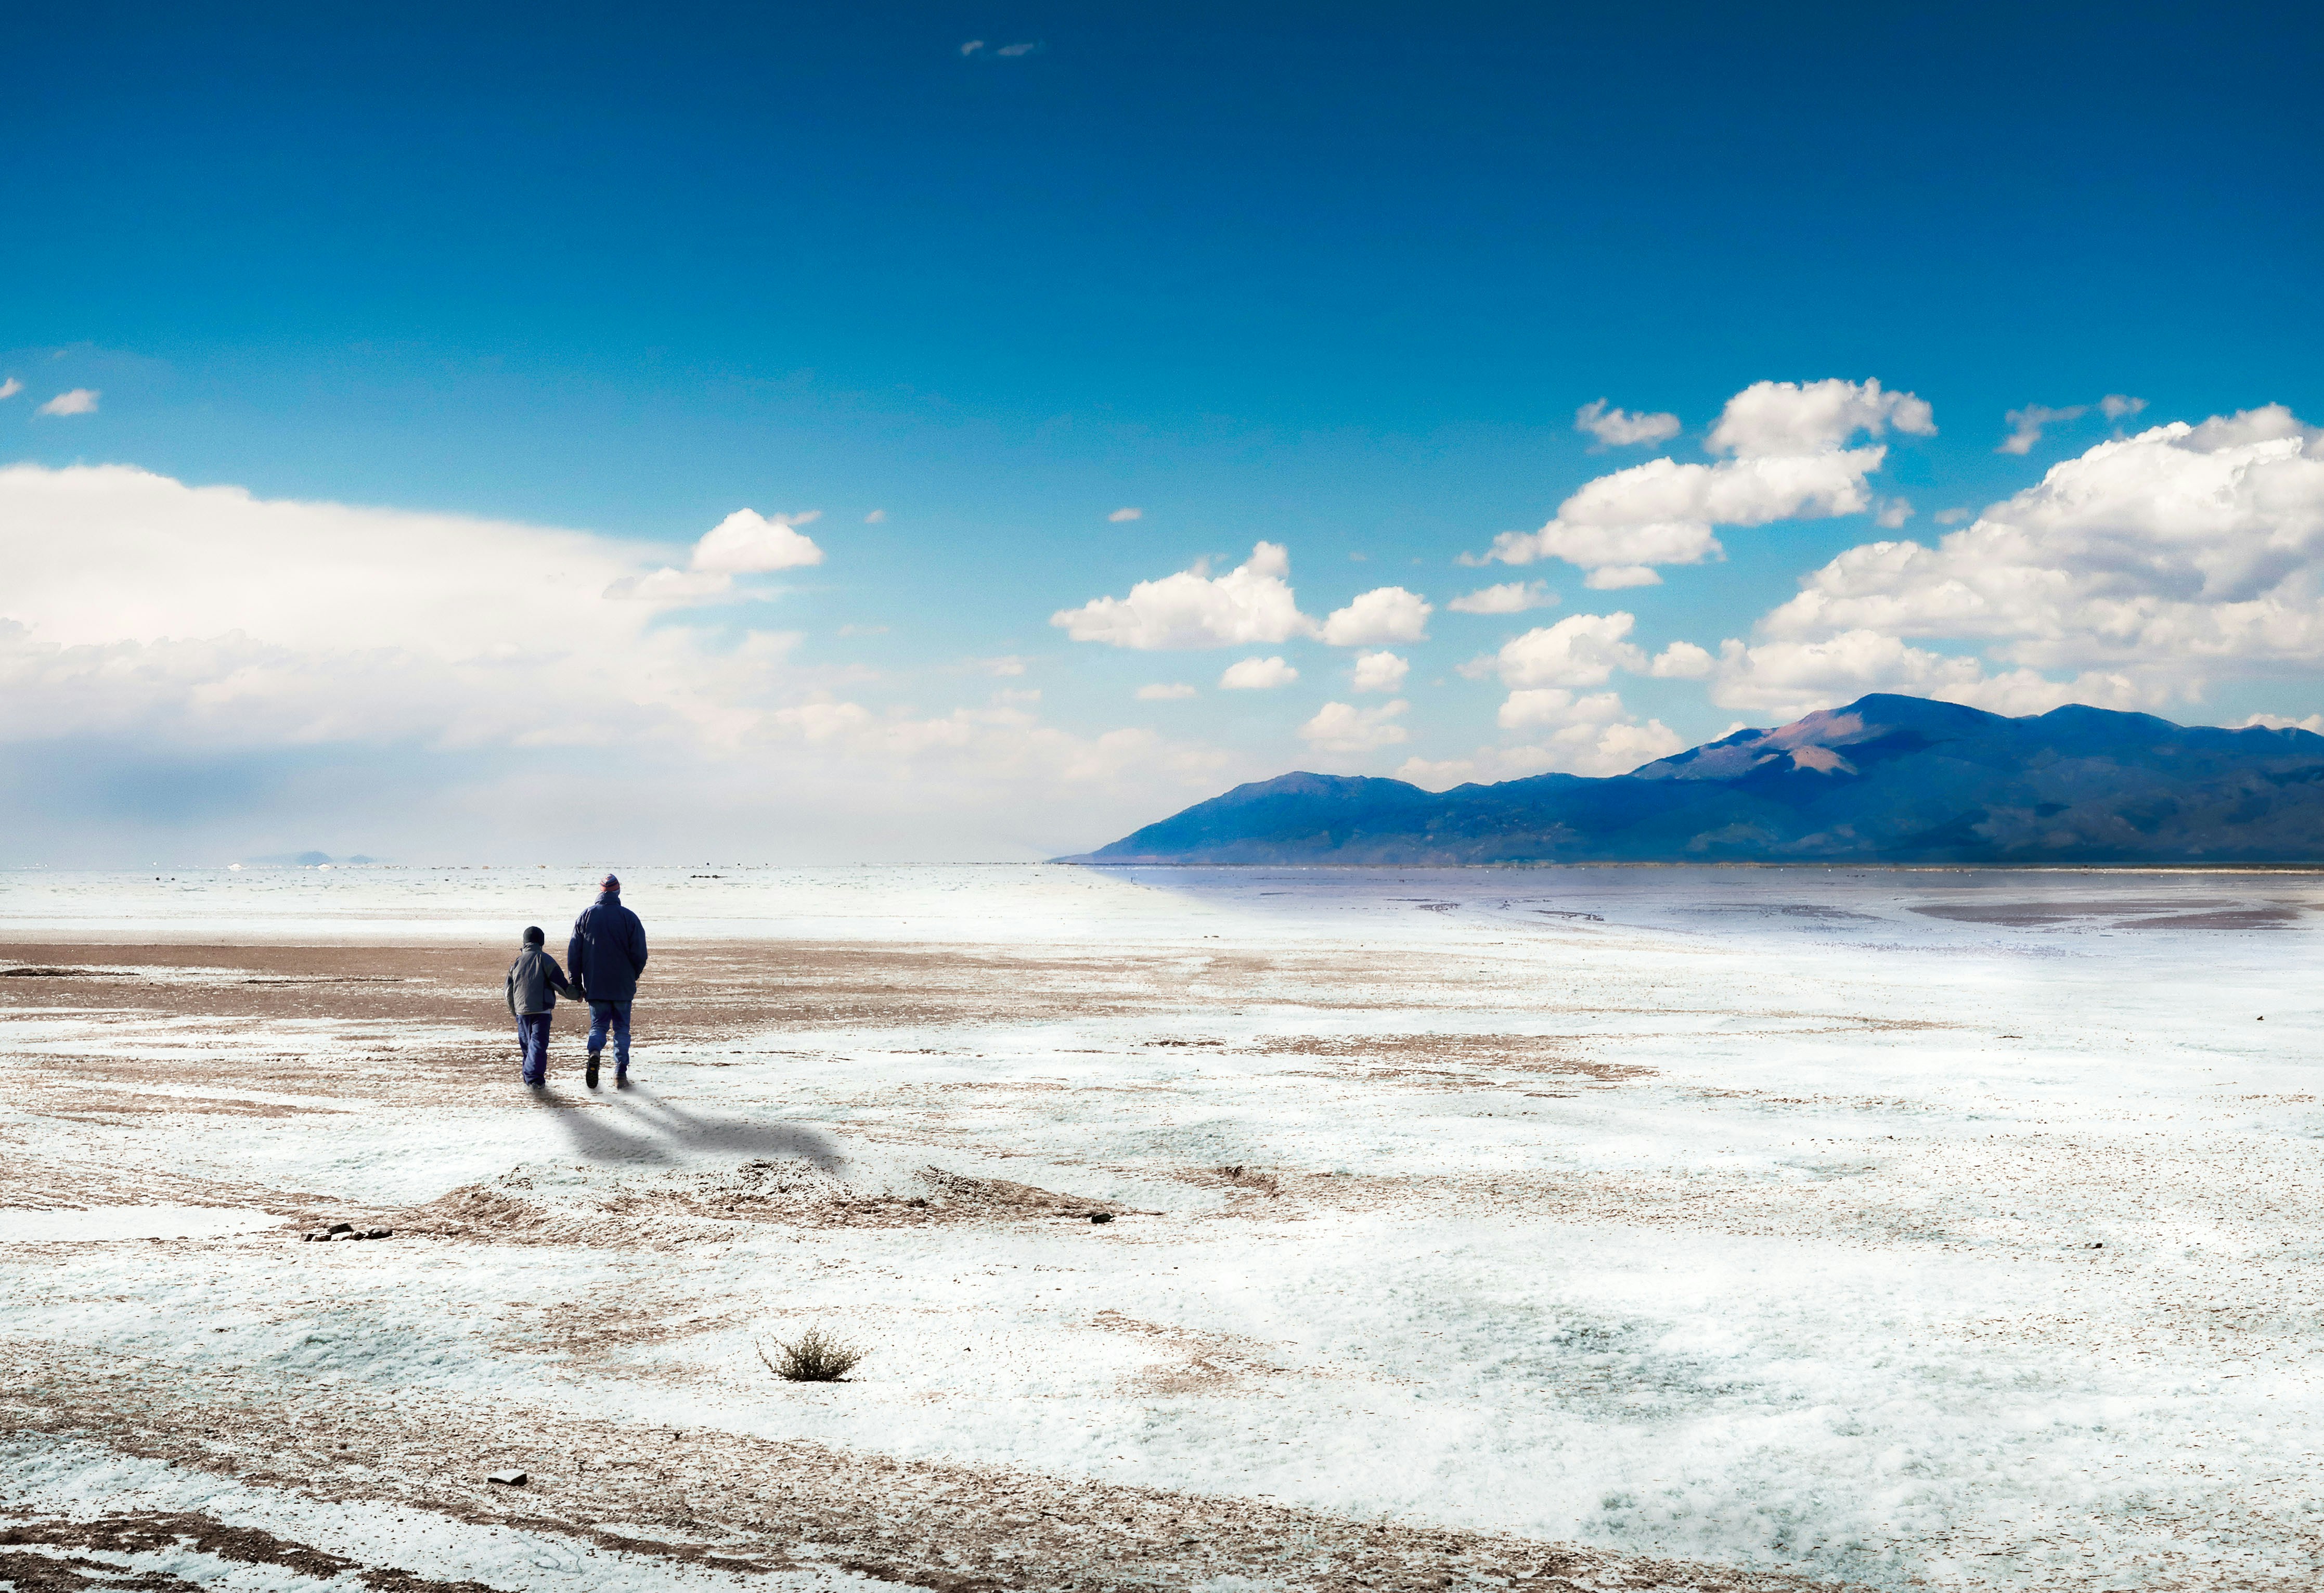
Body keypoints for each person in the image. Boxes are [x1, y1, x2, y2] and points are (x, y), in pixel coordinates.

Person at [569, 872, 648, 1089]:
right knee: (622, 1029)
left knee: (598, 1026)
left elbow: (574, 953)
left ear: (600, 893)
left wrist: (576, 984)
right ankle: (620, 1072)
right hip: (623, 986)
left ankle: (594, 1052)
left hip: (596, 985)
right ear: (618, 892)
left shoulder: (586, 916)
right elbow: (640, 953)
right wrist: (634, 975)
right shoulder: (629, 917)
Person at [505, 926, 577, 1088]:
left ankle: (529, 1078)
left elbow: (508, 992)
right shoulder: (544, 959)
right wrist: (578, 995)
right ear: (541, 942)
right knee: (537, 1045)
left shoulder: (516, 963)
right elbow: (561, 985)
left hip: (522, 1013)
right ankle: (534, 1080)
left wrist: (515, 1012)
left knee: (527, 1047)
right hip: (541, 1011)